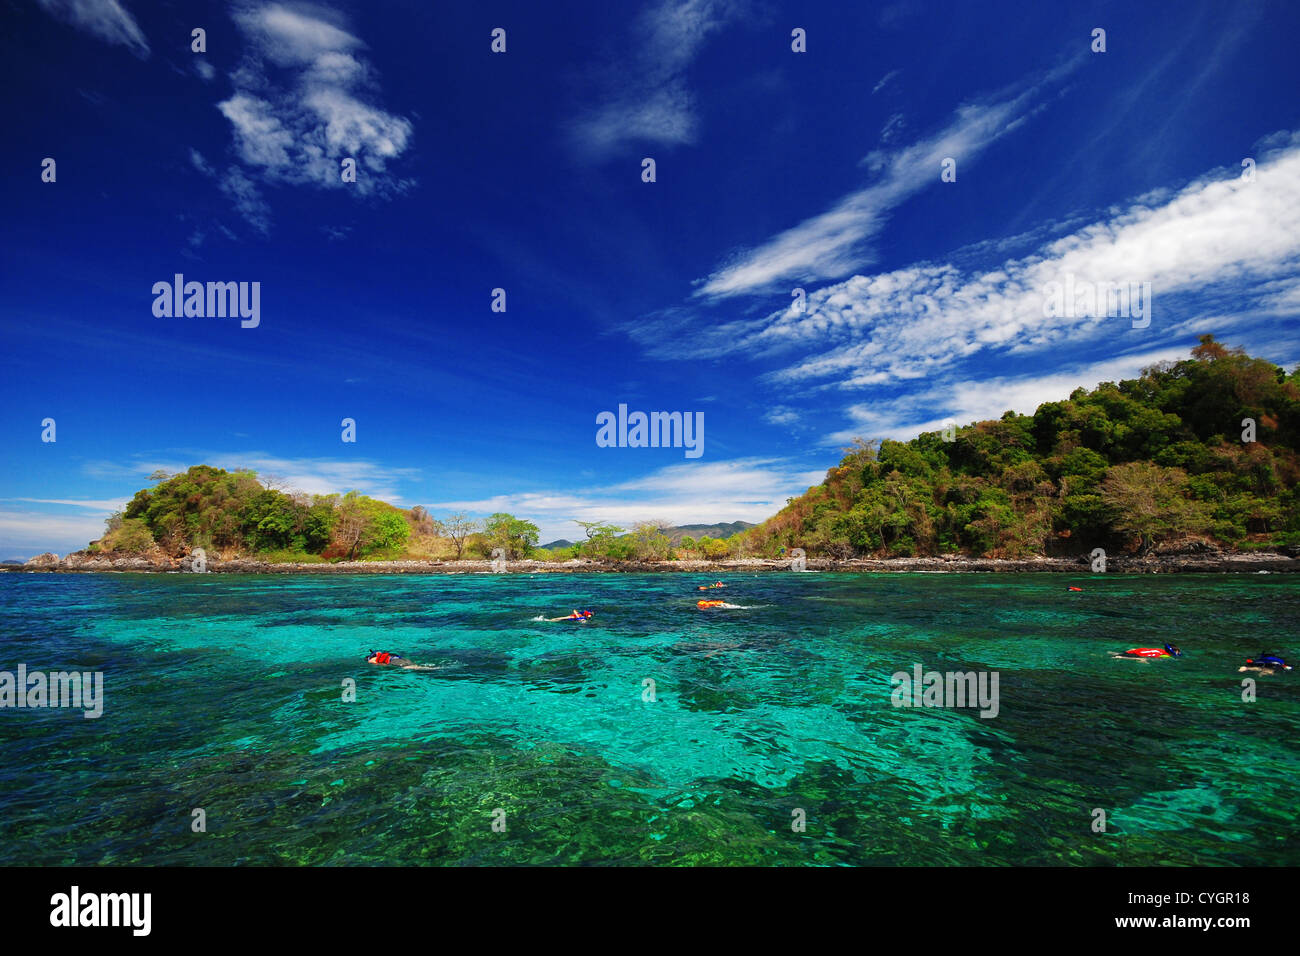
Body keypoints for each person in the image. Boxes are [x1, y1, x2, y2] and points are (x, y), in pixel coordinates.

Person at [366, 650, 440, 671]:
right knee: (416, 666)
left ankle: (435, 669)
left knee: (416, 668)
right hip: (402, 659)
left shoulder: (372, 659)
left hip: (395, 662)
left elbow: (382, 664)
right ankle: (434, 668)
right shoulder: (386, 654)